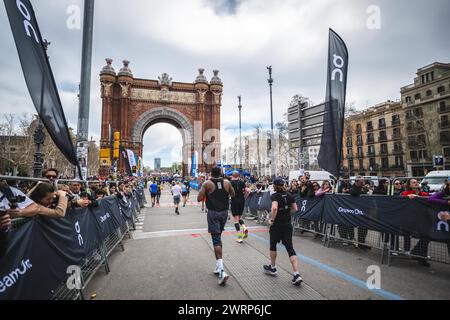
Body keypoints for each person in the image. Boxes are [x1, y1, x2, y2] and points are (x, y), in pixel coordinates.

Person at [197, 167, 235, 286]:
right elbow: (233, 194)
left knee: (216, 240)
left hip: (213, 213)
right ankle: (218, 266)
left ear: (210, 174)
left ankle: (222, 272)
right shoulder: (227, 182)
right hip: (224, 213)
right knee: (218, 238)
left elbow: (199, 198)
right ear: (221, 173)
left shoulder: (207, 183)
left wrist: (206, 191)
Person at [264, 177, 302, 286]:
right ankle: (296, 273)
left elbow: (274, 208)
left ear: (275, 186)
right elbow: (295, 209)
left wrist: (272, 219)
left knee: (273, 245)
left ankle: (273, 267)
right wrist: (286, 210)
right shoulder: (290, 195)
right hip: (287, 225)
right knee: (290, 248)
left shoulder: (274, 196)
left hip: (277, 226)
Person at [401, 178, 430, 266]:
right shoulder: (406, 193)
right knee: (407, 234)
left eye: (417, 182)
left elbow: (430, 198)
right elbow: (400, 200)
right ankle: (411, 252)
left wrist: (419, 197)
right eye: (414, 182)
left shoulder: (423, 193)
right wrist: (407, 197)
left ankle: (420, 256)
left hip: (422, 220)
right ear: (409, 185)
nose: (416, 183)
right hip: (409, 220)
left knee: (426, 237)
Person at [230, 171, 248, 243]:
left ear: (232, 175)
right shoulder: (242, 182)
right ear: (238, 175)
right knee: (239, 218)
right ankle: (244, 227)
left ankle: (239, 237)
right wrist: (245, 197)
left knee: (235, 220)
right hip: (242, 200)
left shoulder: (230, 182)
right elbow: (247, 190)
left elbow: (228, 192)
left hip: (234, 200)